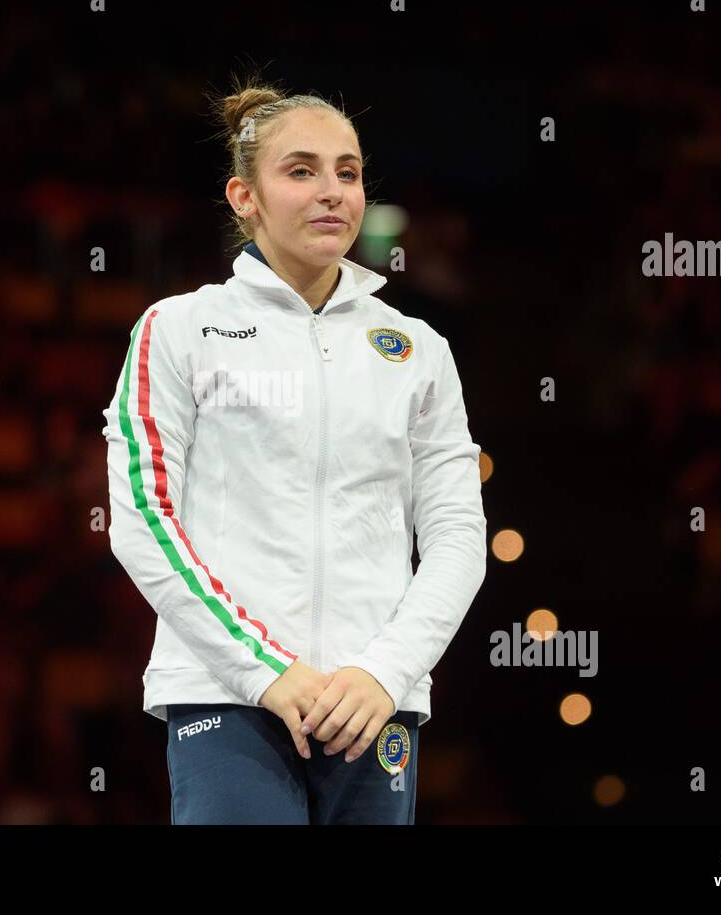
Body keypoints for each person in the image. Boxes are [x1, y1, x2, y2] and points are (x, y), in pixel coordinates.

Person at [101, 77, 487, 824]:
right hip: (228, 694)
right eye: (301, 170)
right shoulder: (179, 330)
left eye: (348, 172)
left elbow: (457, 535)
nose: (333, 191)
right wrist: (266, 670)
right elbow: (143, 518)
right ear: (244, 197)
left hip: (371, 707)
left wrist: (384, 672)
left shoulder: (418, 350)